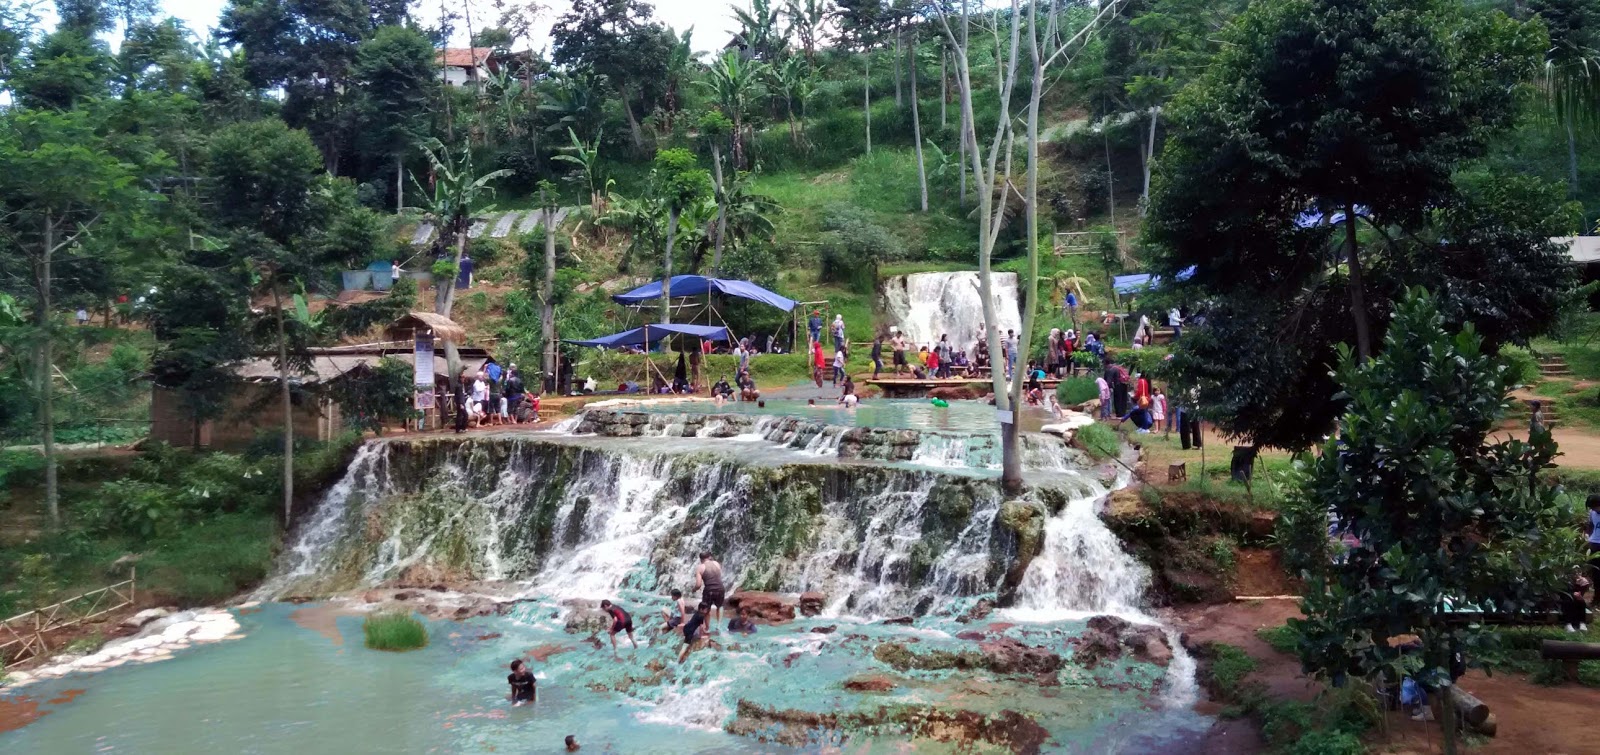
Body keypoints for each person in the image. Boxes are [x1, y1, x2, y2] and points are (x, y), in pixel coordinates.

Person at [695, 551, 727, 628]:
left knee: (706, 609)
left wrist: (694, 589)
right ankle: (718, 625)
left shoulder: (700, 567)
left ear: (700, 559)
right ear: (709, 557)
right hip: (720, 588)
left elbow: (698, 585)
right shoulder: (716, 564)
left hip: (709, 590)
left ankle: (707, 627)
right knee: (720, 606)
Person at [1587, 495, 1600, 606]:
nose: (1594, 510)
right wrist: (1588, 537)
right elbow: (1590, 525)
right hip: (1595, 544)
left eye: (1595, 507)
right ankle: (1597, 597)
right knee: (1595, 573)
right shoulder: (1592, 513)